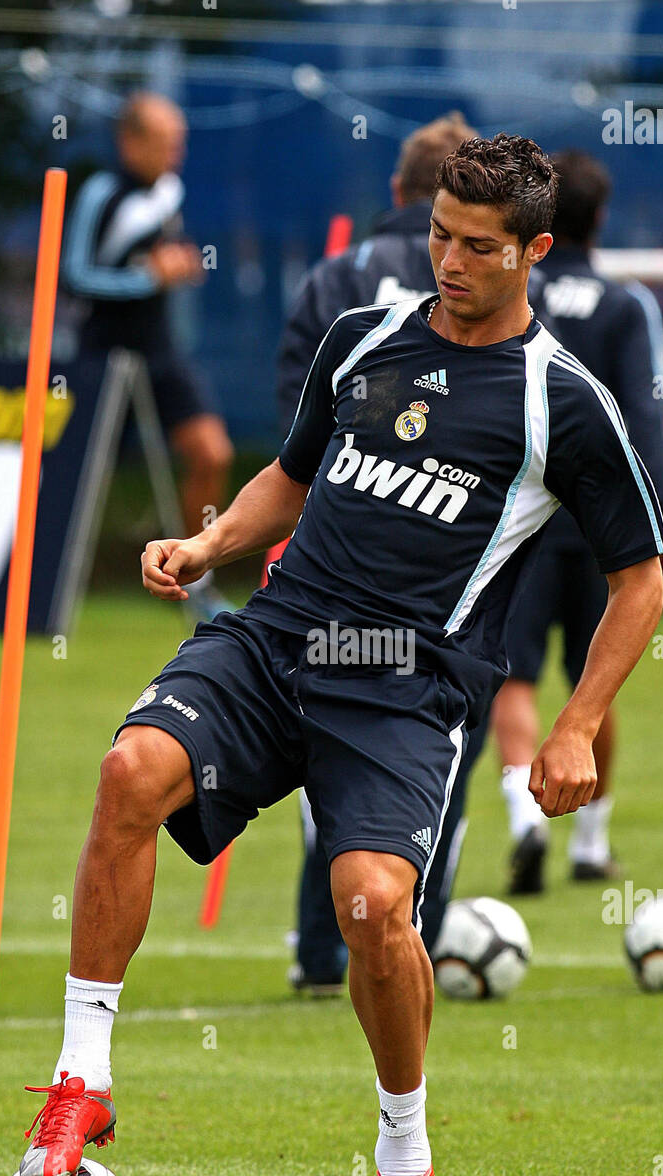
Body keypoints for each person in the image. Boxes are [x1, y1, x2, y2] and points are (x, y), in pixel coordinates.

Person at [17, 134, 663, 1176]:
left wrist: (572, 727)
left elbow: (640, 579)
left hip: (408, 686)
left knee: (371, 905)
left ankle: (403, 1160)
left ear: (533, 250)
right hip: (275, 639)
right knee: (129, 773)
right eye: (438, 238)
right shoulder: (360, 338)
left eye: (477, 248)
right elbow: (294, 475)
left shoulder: (559, 400)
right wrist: (209, 542)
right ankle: (81, 1078)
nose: (449, 262)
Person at [276, 111, 491, 996]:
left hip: (322, 563)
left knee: (318, 745)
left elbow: (297, 425)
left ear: (396, 190)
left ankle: (318, 954)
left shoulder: (340, 277)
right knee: (433, 759)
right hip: (449, 588)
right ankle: (412, 953)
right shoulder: (511, 285)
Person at [494, 149, 663, 893]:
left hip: (518, 521)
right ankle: (590, 844)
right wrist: (649, 518)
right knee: (594, 678)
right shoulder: (625, 304)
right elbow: (643, 415)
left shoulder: (512, 301)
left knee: (515, 677)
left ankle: (523, 819)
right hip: (596, 525)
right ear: (599, 219)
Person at [63, 92, 234, 554]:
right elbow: (72, 276)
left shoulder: (169, 192)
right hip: (101, 353)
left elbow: (157, 261)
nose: (174, 154)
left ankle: (192, 570)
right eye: (163, 143)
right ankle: (38, 575)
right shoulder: (101, 193)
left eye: (178, 143)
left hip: (159, 350)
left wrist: (179, 266)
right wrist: (146, 279)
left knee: (213, 454)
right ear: (130, 143)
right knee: (73, 473)